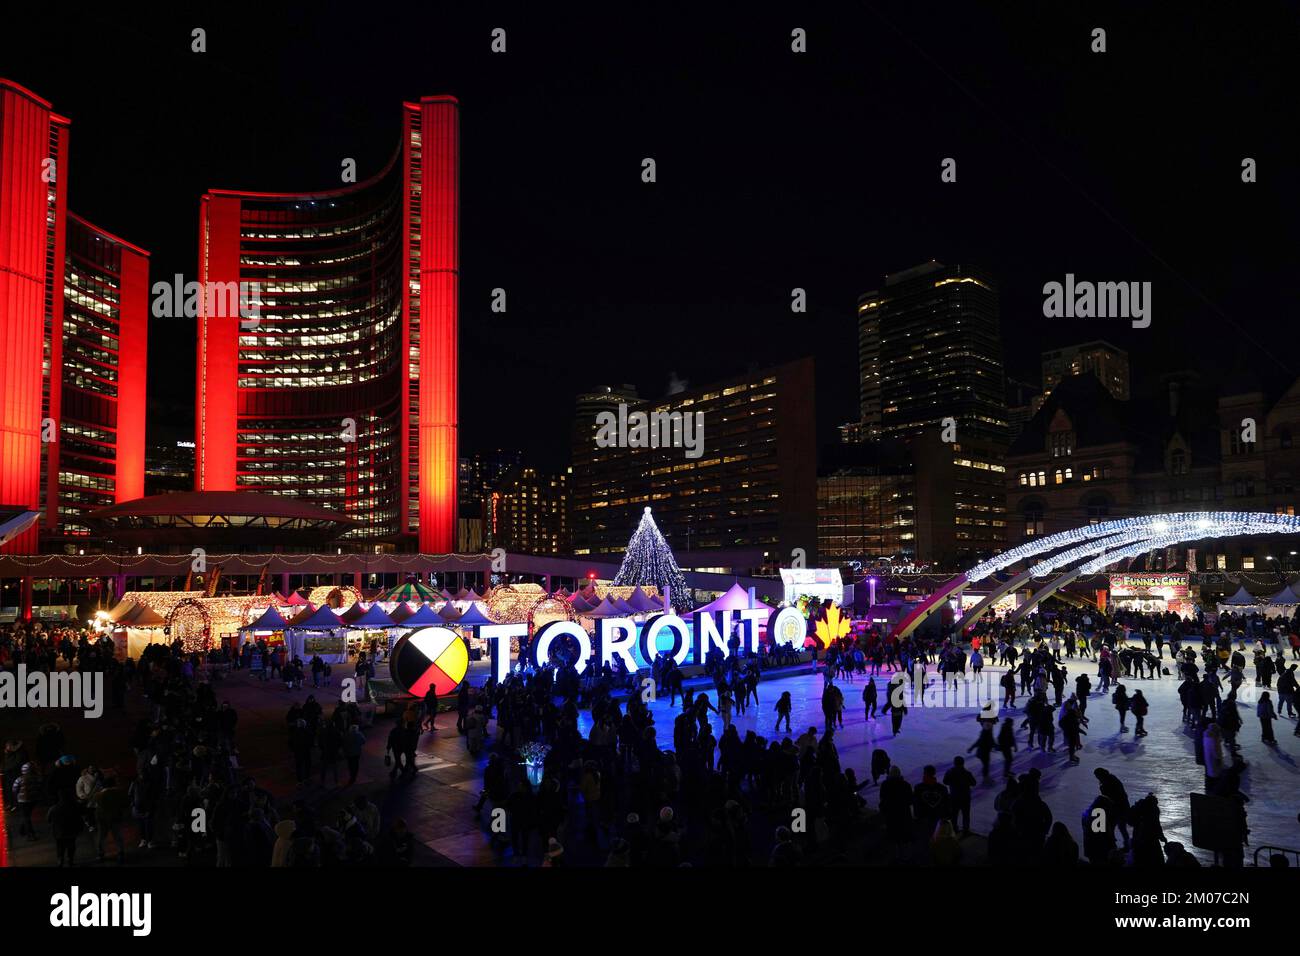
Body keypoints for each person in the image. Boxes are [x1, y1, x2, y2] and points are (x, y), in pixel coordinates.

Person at [943, 757, 977, 835]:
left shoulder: (950, 772)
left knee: (954, 814)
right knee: (966, 814)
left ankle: (954, 829)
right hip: (965, 797)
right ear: (963, 763)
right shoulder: (967, 773)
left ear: (954, 763)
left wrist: (952, 783)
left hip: (954, 796)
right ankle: (965, 830)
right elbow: (974, 783)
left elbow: (945, 781)